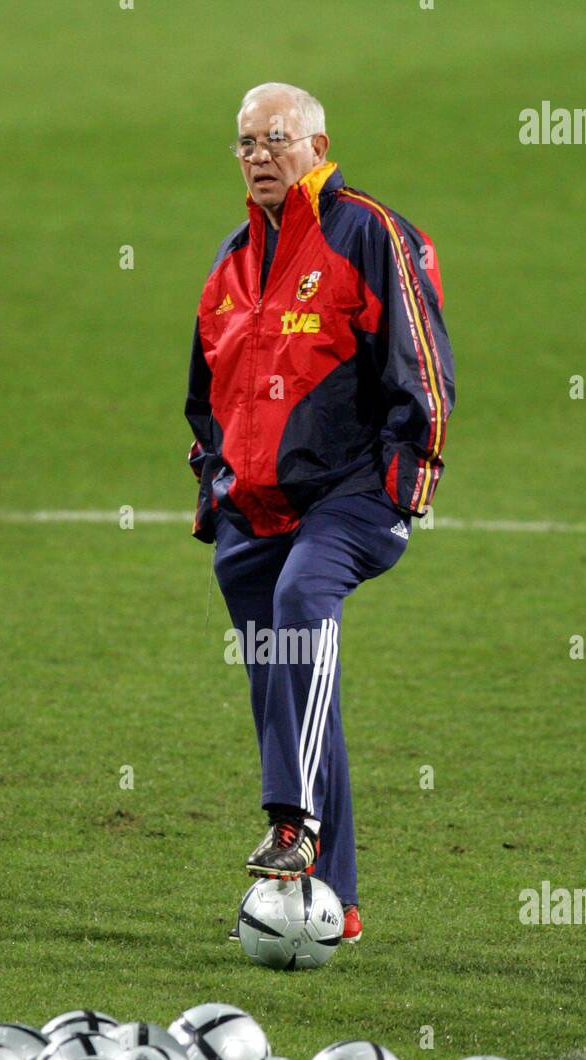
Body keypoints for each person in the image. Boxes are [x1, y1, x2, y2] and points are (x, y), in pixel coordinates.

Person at [185, 82, 456, 943]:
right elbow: (206, 399)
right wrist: (215, 496)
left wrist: (406, 481)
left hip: (352, 495)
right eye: (245, 143)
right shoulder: (229, 263)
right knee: (290, 688)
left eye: (276, 138)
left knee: (306, 607)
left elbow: (424, 365)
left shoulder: (370, 233)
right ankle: (333, 906)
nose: (259, 155)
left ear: (318, 142)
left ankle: (290, 826)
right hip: (253, 511)